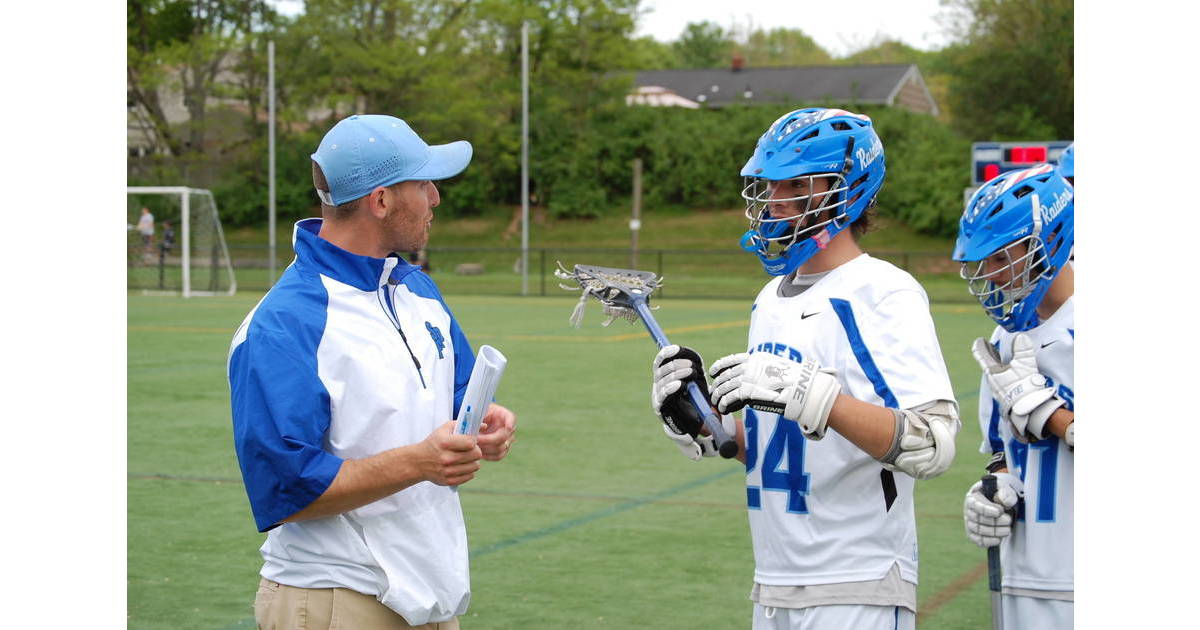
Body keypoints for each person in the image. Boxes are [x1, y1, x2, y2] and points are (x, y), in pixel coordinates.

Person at [650, 108, 959, 629]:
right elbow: (779, 445)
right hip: (776, 580)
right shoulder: (770, 297)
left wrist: (820, 399)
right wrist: (706, 421)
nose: (774, 200)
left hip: (856, 578)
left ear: (846, 190)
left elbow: (932, 444)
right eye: (770, 184)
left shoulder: (883, 291)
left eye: (795, 185)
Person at [228, 114, 517, 630]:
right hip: (336, 598)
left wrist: (483, 421)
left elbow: (457, 396)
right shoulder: (283, 325)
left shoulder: (417, 289)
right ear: (381, 201)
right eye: (423, 184)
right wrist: (420, 462)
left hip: (429, 594)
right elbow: (286, 487)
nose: (435, 198)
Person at [953, 164, 1074, 628]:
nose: (992, 274)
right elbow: (1005, 455)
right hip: (1023, 577)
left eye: (1003, 256)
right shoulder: (1003, 339)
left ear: (1049, 240)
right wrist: (996, 492)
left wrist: (1050, 414)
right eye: (985, 261)